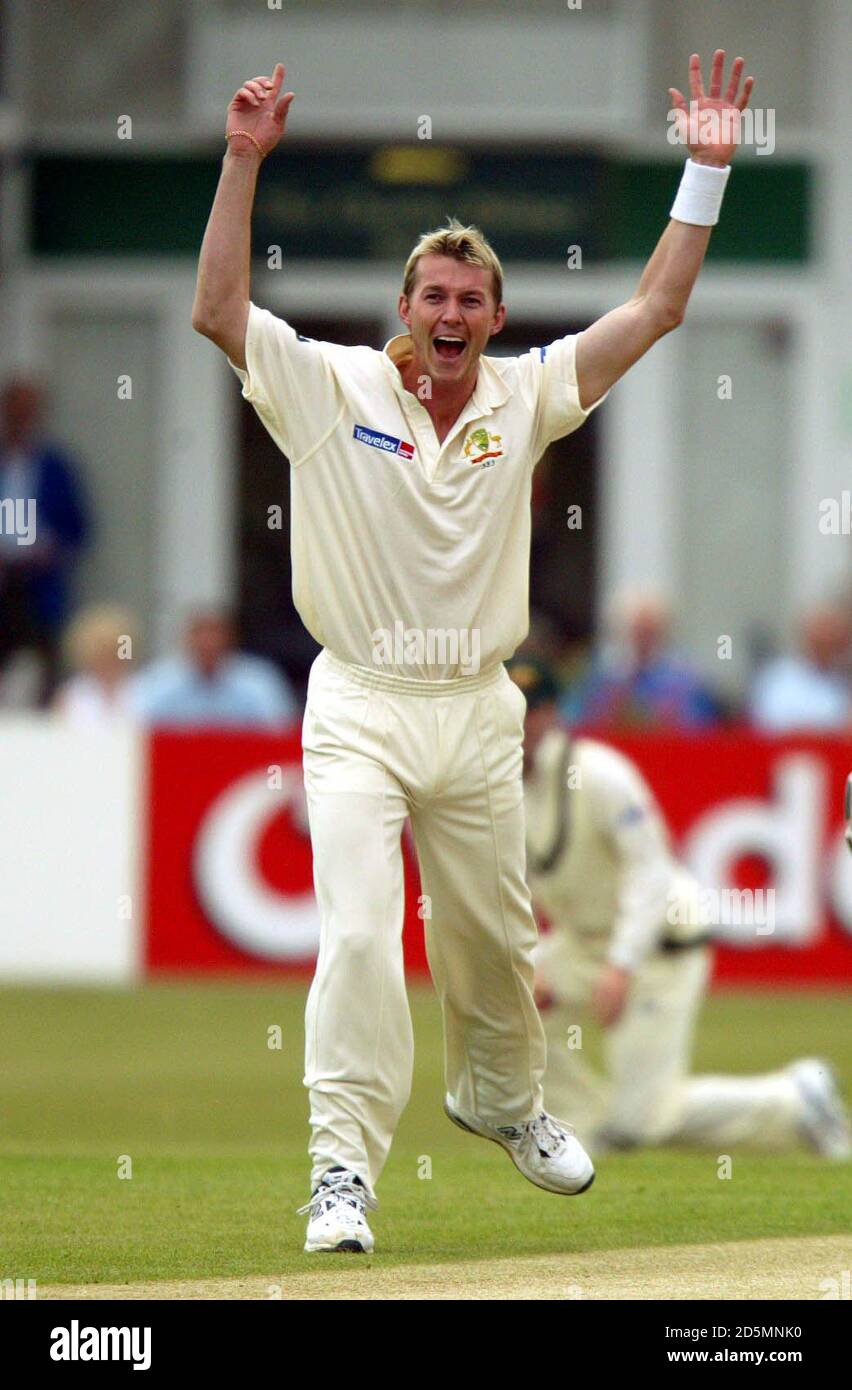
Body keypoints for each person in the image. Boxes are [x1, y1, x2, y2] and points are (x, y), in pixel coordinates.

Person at [192, 51, 755, 1254]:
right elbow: (218, 311)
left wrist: (706, 167)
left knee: (494, 941)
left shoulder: (527, 393)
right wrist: (242, 159)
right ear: (406, 309)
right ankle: (341, 1171)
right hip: (358, 704)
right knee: (353, 933)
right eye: (431, 297)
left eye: (469, 302)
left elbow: (654, 311)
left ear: (495, 317)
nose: (449, 318)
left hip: (478, 709)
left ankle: (501, 1103)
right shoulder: (329, 386)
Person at [509, 654, 851, 1160]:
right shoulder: (500, 787)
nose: (520, 725)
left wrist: (620, 967)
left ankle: (795, 1099)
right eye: (510, 711)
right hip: (583, 945)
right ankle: (586, 1126)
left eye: (531, 711)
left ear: (553, 713)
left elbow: (648, 871)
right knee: (498, 1014)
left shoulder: (599, 774)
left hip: (657, 948)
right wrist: (530, 958)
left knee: (649, 1119)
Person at [0, 376, 90, 701]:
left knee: (41, 671)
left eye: (28, 412)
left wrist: (50, 548)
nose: (21, 420)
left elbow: (79, 529)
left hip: (39, 587)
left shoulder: (55, 466)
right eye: (15, 412)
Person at [568, 586, 721, 729]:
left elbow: (701, 729)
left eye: (649, 632)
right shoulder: (600, 679)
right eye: (636, 631)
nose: (642, 639)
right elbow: (578, 722)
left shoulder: (687, 682)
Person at [130, 607, 297, 729]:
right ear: (186, 638)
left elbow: (280, 732)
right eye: (200, 635)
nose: (208, 643)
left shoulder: (260, 681)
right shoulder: (157, 681)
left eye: (215, 635)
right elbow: (138, 731)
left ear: (230, 638)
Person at [750, 603, 851, 733]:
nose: (829, 642)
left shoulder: (843, 681)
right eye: (823, 636)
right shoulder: (777, 679)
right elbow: (770, 725)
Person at [53, 603, 139, 726]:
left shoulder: (143, 691)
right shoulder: (71, 695)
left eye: (113, 654)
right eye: (102, 654)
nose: (108, 661)